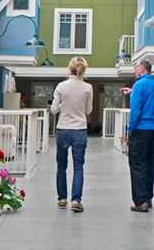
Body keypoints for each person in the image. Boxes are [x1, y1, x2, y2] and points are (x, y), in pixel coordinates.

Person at [51, 56, 93, 212]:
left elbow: (54, 109)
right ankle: (76, 200)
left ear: (70, 69)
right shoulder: (88, 88)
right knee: (78, 167)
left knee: (61, 166)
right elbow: (88, 110)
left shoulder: (61, 86)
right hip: (79, 129)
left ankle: (62, 199)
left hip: (63, 129)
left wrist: (63, 105)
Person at [126, 59, 154, 212]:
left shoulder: (139, 85)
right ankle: (148, 198)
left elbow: (136, 109)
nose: (135, 71)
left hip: (141, 129)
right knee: (150, 163)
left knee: (137, 164)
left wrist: (130, 128)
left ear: (142, 69)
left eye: (136, 68)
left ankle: (140, 201)